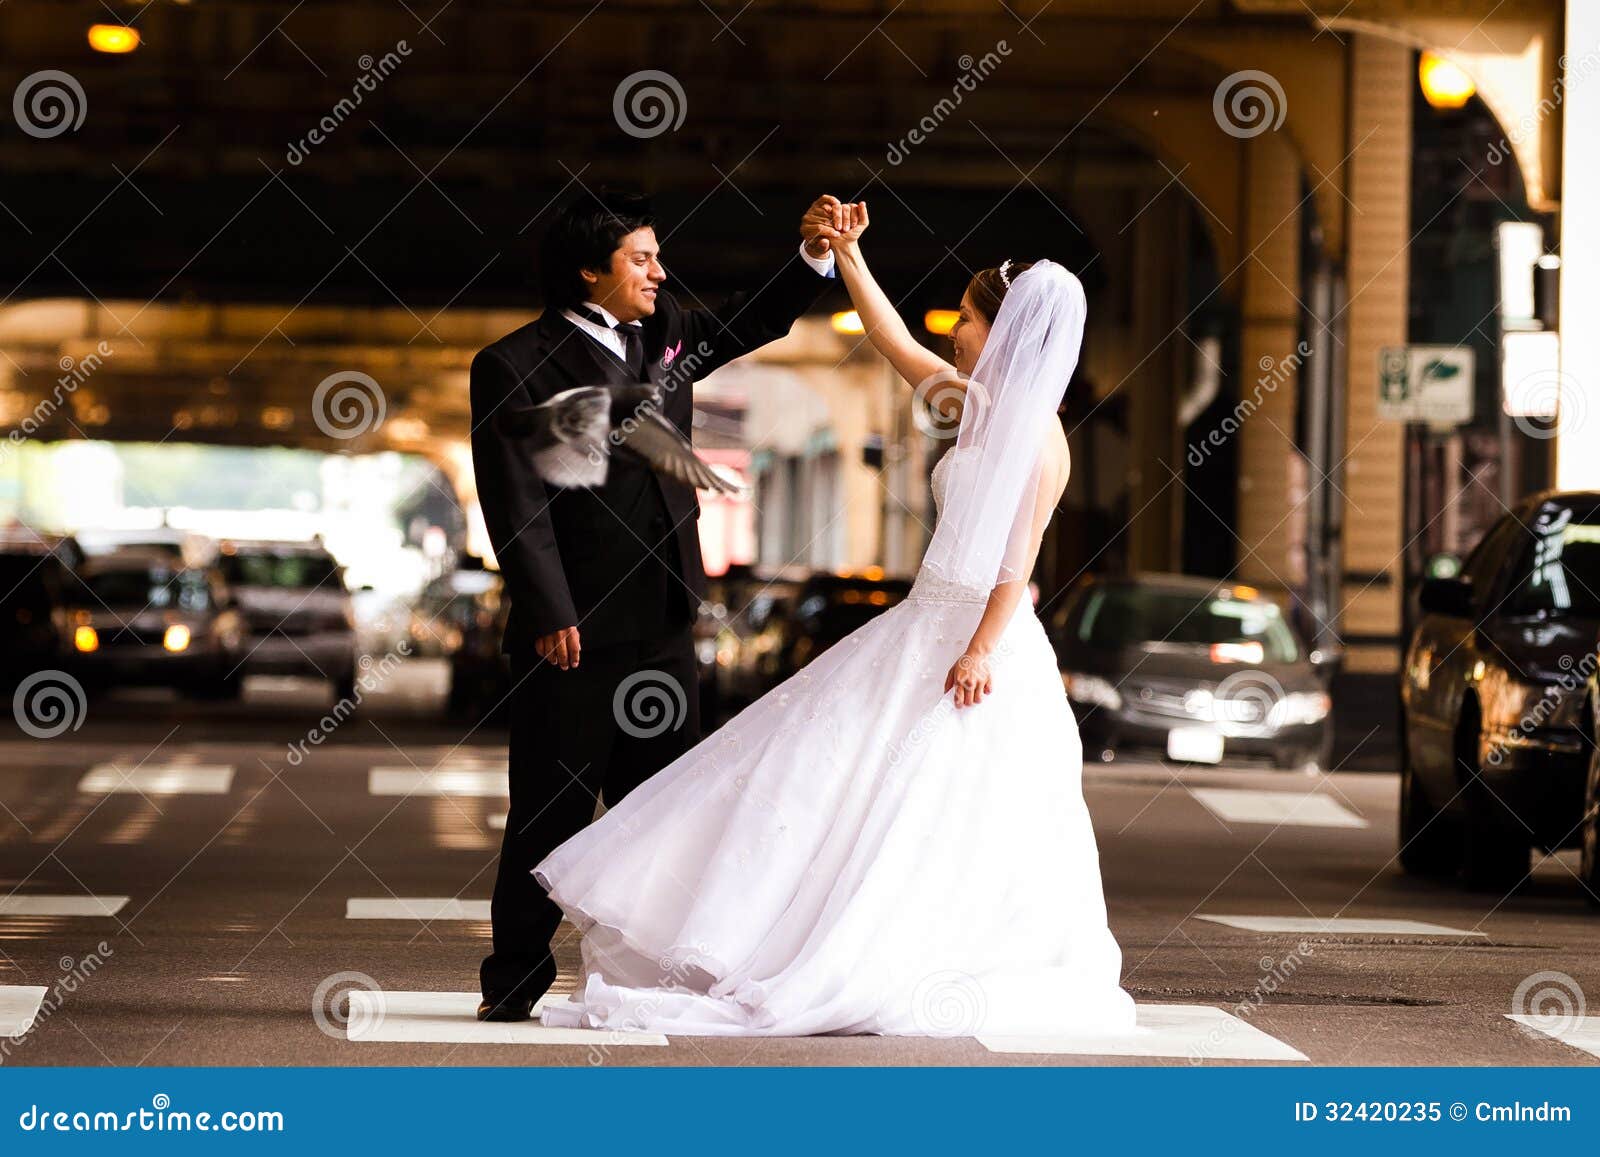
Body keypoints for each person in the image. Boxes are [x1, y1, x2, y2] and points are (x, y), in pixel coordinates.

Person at [531, 198, 1142, 1038]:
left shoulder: (1039, 439)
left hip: (975, 647)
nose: (955, 333)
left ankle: (905, 963)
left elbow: (1018, 567)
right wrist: (848, 256)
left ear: (1002, 333)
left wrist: (979, 653)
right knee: (821, 783)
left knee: (938, 816)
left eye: (965, 320)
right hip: (919, 629)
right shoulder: (976, 405)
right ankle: (772, 936)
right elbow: (894, 343)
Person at [470, 188, 839, 1021]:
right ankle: (515, 979)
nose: (659, 271)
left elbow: (750, 323)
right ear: (588, 269)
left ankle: (662, 979)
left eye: (656, 256)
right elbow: (517, 503)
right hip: (572, 632)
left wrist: (811, 254)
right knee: (550, 811)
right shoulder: (514, 364)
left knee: (670, 806)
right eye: (641, 258)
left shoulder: (665, 329)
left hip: (666, 618)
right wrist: (550, 609)